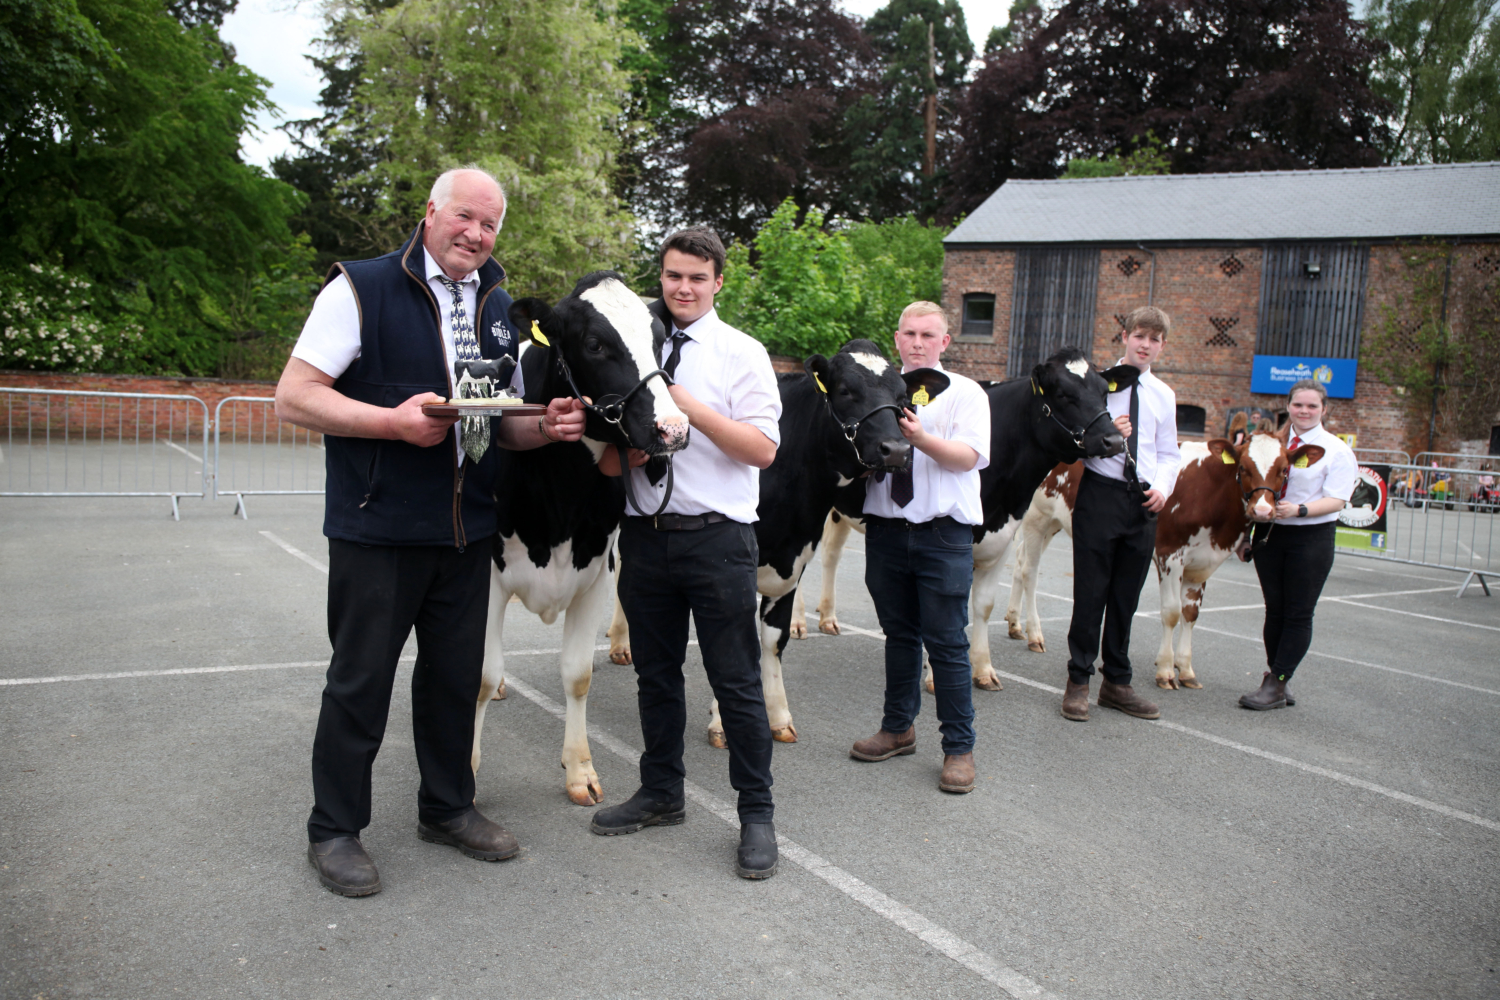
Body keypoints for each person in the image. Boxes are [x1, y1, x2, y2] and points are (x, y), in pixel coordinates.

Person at [276, 166, 587, 897]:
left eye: (490, 225)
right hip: (378, 529)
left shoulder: (499, 305)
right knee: (360, 684)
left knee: (453, 683)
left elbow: (495, 427)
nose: (475, 234)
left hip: (467, 532)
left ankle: (447, 809)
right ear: (431, 213)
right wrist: (388, 423)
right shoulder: (361, 287)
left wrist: (545, 427)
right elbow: (294, 397)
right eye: (465, 217)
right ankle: (335, 830)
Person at [588, 227, 783, 879]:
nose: (683, 288)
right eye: (673, 276)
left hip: (718, 541)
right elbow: (611, 463)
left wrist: (685, 405)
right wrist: (629, 450)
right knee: (655, 676)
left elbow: (762, 450)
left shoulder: (741, 353)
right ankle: (661, 792)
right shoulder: (631, 343)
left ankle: (757, 815)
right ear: (661, 276)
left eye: (698, 278)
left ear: (718, 282)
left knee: (736, 683)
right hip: (646, 540)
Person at [850, 302, 991, 794]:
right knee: (899, 636)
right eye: (909, 333)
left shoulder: (966, 394)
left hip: (941, 535)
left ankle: (959, 748)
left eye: (928, 334)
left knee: (948, 643)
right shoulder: (877, 387)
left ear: (945, 342)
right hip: (887, 531)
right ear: (896, 339)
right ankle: (897, 728)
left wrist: (920, 438)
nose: (917, 342)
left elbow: (968, 458)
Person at [1061, 306, 1181, 722]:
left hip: (1142, 501)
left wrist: (1164, 488)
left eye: (1155, 339)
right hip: (1101, 495)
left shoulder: (1164, 395)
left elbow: (1168, 453)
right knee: (1091, 593)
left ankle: (1117, 682)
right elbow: (1071, 440)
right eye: (1139, 336)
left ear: (1162, 346)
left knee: (1126, 596)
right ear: (1125, 337)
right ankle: (1078, 680)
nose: (1145, 345)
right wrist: (1108, 435)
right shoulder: (1096, 383)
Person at [1240, 380, 1357, 710]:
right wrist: (1244, 534)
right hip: (1270, 534)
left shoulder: (1335, 450)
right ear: (1288, 407)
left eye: (1312, 406)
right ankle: (1278, 675)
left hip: (1311, 537)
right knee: (1274, 610)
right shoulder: (1270, 443)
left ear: (1324, 409)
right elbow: (1253, 487)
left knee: (1298, 613)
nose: (1304, 411)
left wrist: (1300, 510)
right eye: (1298, 405)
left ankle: (1275, 684)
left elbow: (1337, 500)